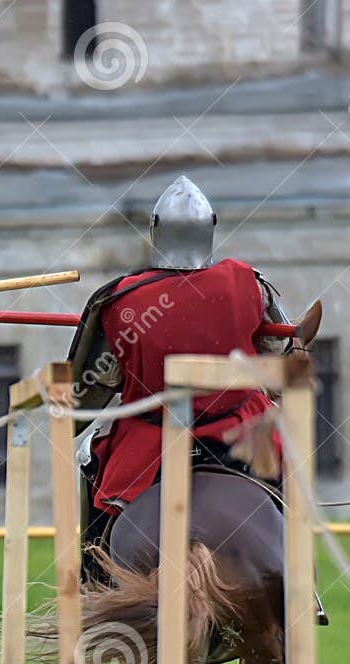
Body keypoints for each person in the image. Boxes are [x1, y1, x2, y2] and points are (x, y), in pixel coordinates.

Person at [66, 175, 294, 577]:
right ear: (211, 229)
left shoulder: (120, 299)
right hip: (237, 429)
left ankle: (92, 582)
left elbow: (84, 400)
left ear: (155, 230)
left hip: (150, 438)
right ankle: (301, 589)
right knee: (288, 459)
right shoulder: (247, 282)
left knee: (88, 458)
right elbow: (279, 354)